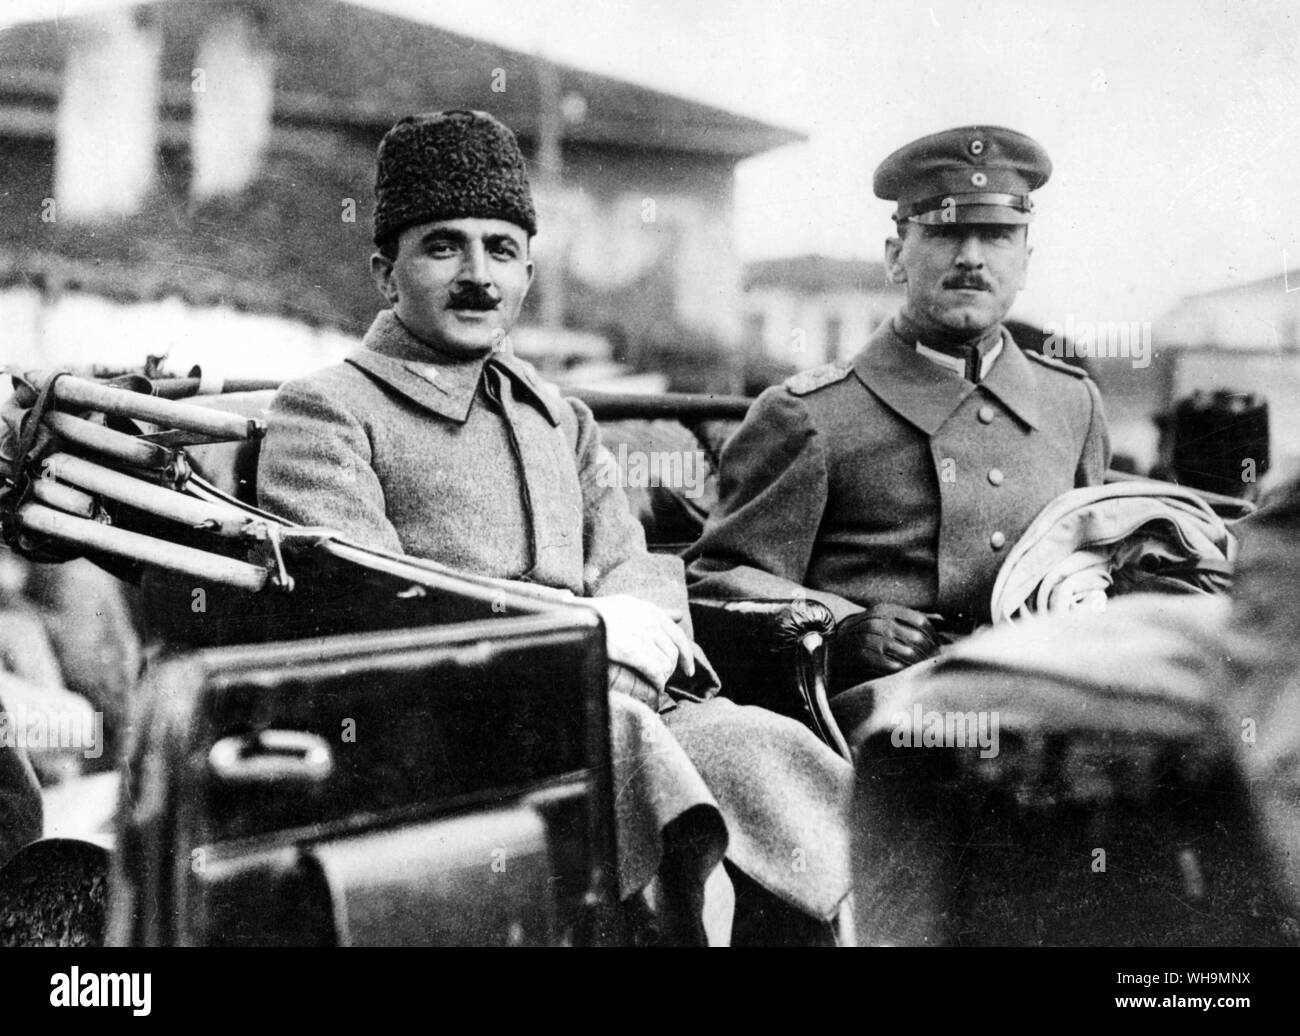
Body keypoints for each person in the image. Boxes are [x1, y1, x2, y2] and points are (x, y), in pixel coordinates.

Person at [256, 110, 853, 944]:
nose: (478, 276)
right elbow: (367, 603)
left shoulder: (556, 415)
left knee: (765, 748)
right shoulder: (328, 410)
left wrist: (625, 646)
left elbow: (632, 564)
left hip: (607, 699)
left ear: (528, 268)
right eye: (442, 247)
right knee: (635, 753)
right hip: (443, 723)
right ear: (384, 271)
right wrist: (579, 635)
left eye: (501, 250)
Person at [685, 125, 1111, 729]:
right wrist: (839, 628)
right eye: (942, 233)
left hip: (1044, 701)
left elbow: (1096, 564)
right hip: (883, 726)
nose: (971, 258)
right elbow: (713, 588)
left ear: (1025, 261)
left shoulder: (1073, 404)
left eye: (996, 236)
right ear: (895, 258)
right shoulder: (809, 415)